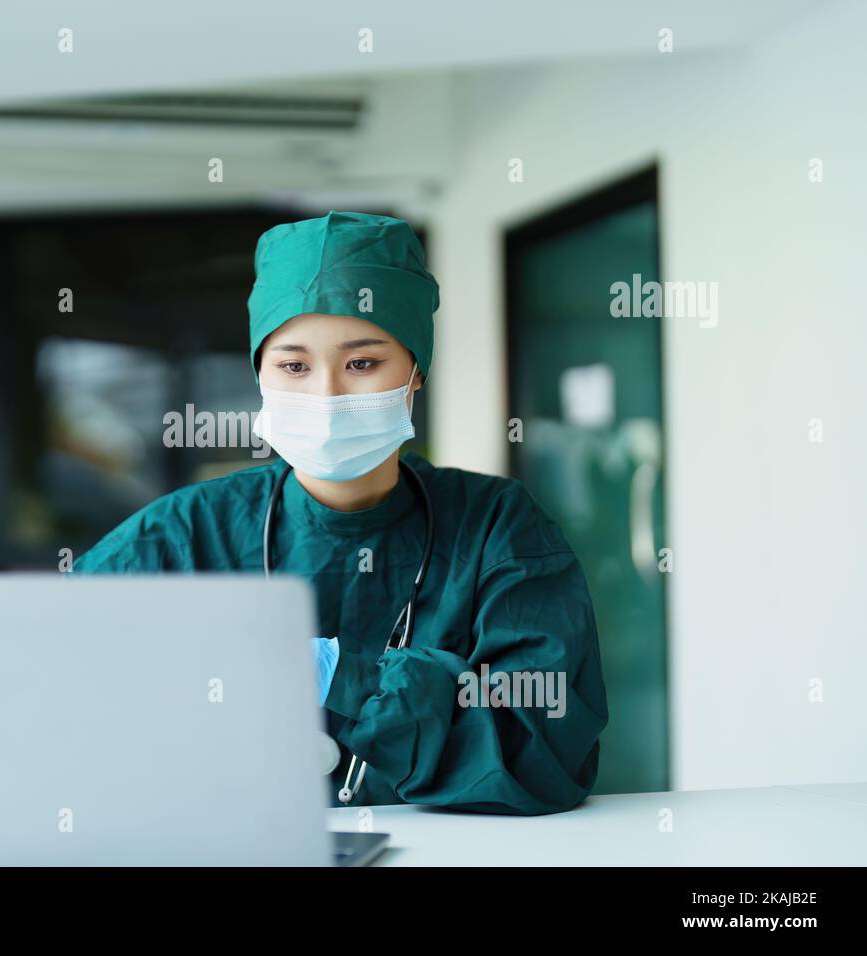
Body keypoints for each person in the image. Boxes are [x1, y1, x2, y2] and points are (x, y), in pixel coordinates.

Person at [75, 210, 608, 813]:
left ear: (415, 372)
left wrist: (346, 677)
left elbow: (544, 748)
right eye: (294, 366)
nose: (325, 395)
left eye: (361, 363)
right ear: (262, 378)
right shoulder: (179, 539)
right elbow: (53, 693)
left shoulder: (498, 530)